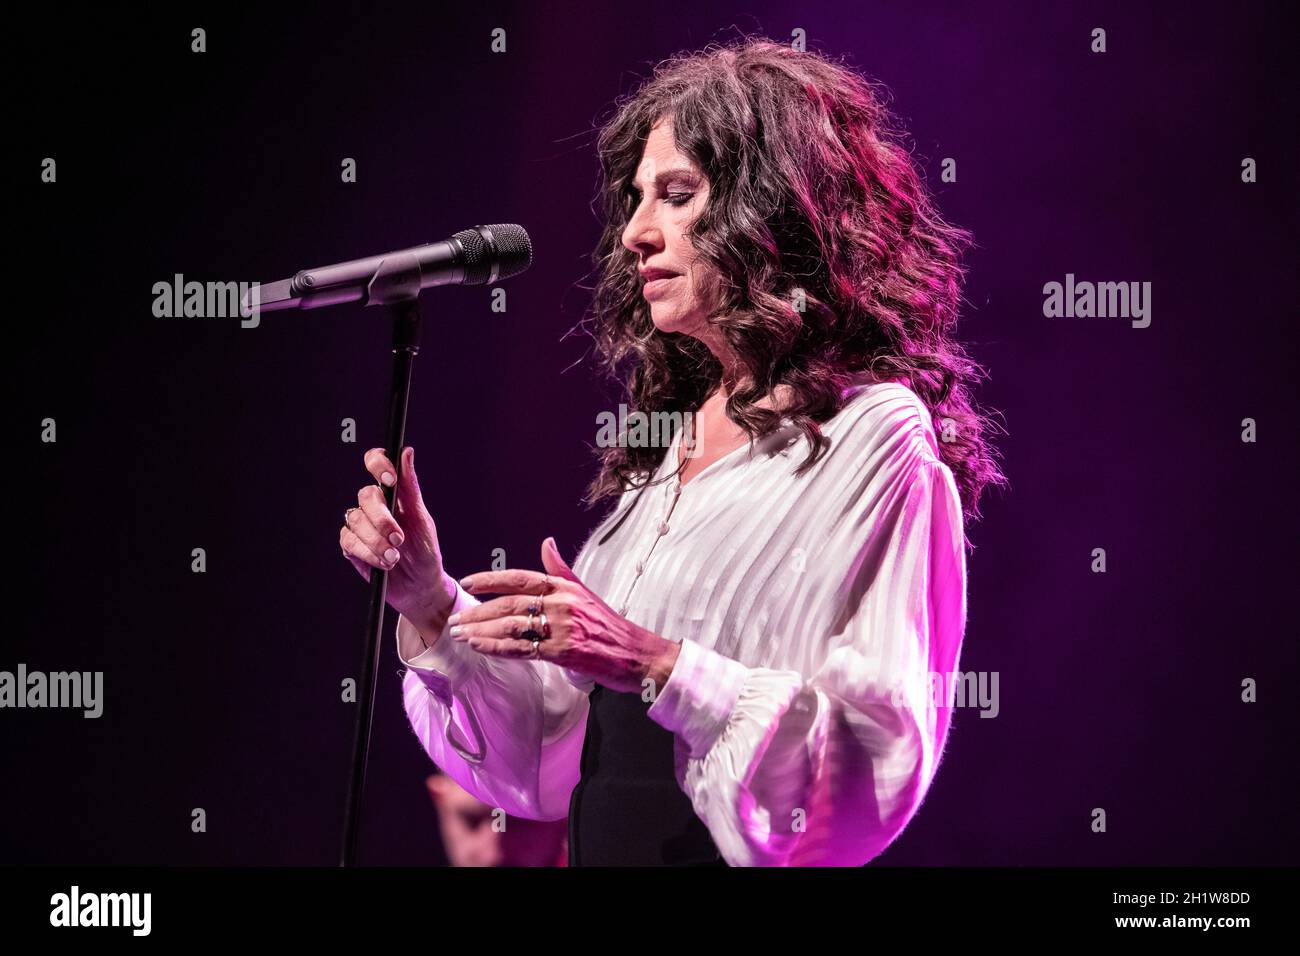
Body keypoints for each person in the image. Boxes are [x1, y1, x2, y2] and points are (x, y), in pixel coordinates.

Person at [338, 37, 1004, 866]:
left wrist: (653, 662)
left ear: (771, 213)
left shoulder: (873, 438)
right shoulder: (669, 456)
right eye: (635, 197)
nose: (635, 232)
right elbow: (551, 762)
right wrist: (429, 600)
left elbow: (875, 762)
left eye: (677, 195)